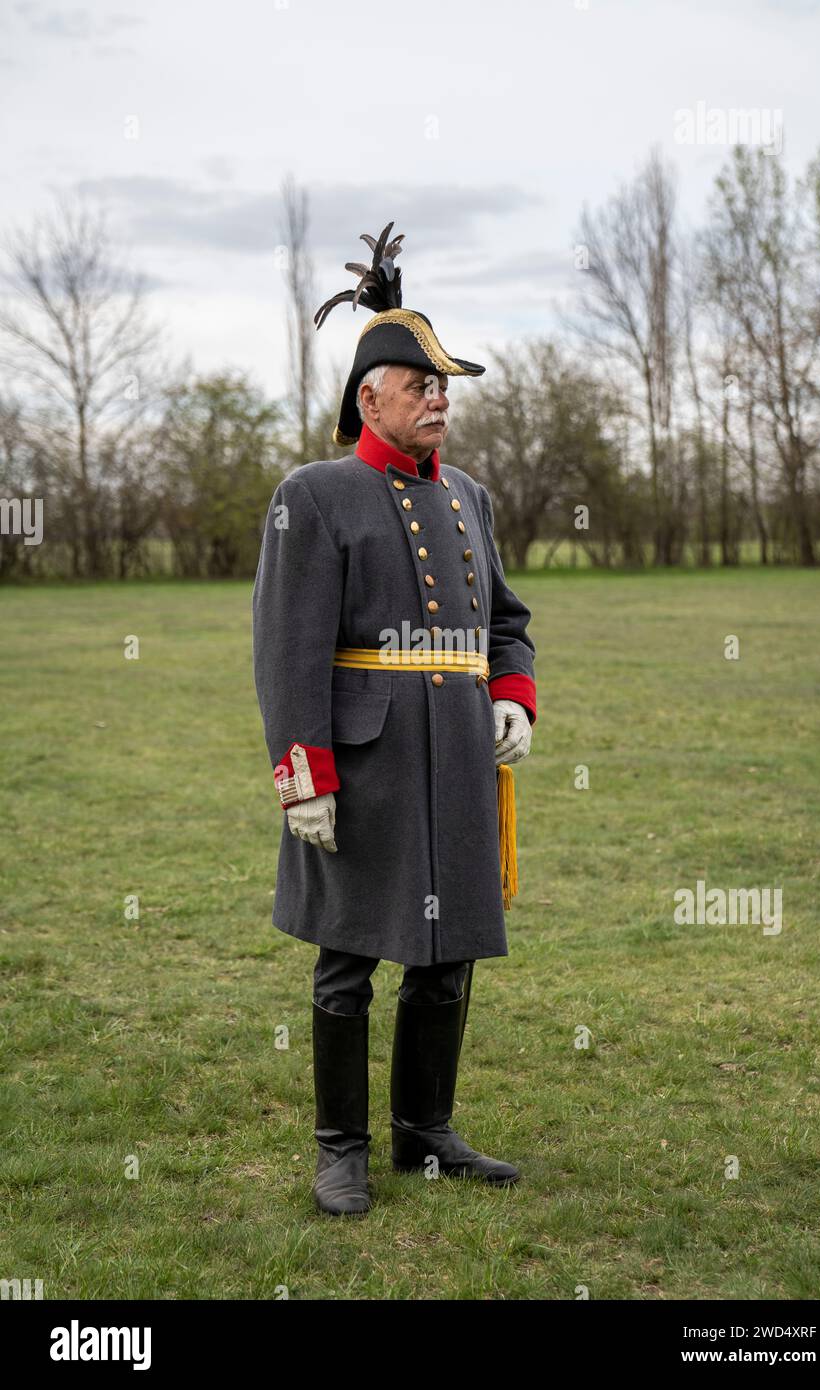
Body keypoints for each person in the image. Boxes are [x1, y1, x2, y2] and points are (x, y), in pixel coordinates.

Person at [252, 224, 537, 1216]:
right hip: (362, 763)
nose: (440, 401)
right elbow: (287, 651)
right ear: (368, 396)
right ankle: (341, 1148)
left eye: (445, 388)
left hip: (456, 754)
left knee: (447, 951)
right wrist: (304, 777)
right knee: (347, 958)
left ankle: (424, 1132)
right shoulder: (315, 496)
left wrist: (510, 694)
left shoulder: (470, 496)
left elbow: (506, 619)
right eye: (422, 386)